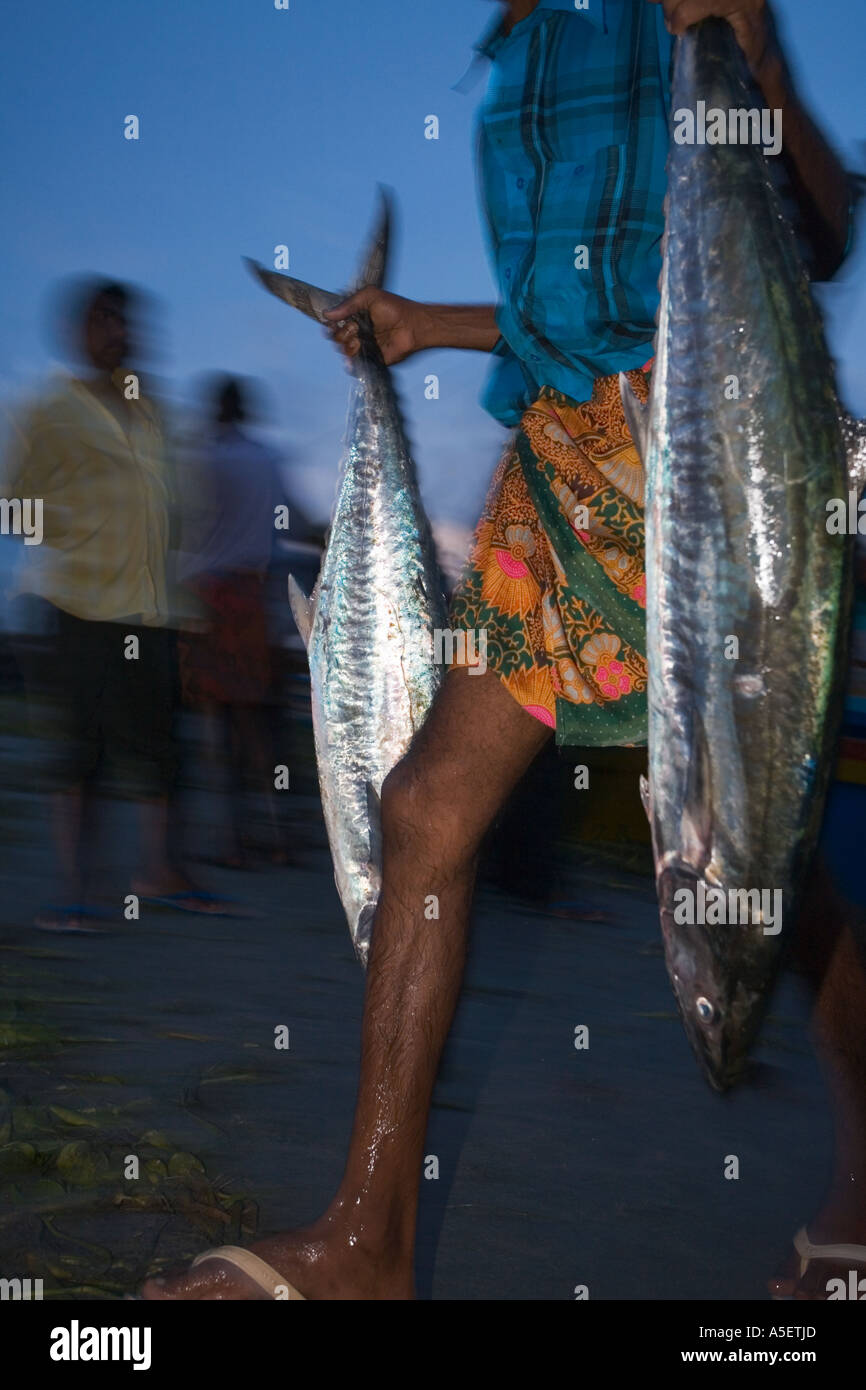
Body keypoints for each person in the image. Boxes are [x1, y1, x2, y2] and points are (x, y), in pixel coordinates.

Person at [143, 0, 863, 1299]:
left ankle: (865, 1180)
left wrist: (749, 52)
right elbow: (567, 290)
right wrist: (422, 323)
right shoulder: (512, 57)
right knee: (426, 806)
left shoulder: (672, 17)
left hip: (693, 442)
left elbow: (816, 230)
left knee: (764, 868)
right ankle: (367, 1241)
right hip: (554, 466)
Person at [8, 278, 233, 926]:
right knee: (80, 751)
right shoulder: (50, 409)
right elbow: (9, 499)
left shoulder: (156, 408)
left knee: (163, 750)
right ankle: (76, 887)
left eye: (126, 320)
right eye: (104, 320)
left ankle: (160, 870)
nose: (118, 332)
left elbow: (184, 501)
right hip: (77, 603)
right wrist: (70, 530)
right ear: (77, 331)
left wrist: (190, 591)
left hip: (155, 608)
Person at [177, 375, 288, 867]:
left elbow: (181, 521)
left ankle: (233, 836)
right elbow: (293, 520)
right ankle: (276, 828)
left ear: (215, 410)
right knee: (256, 721)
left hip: (209, 597)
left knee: (218, 722)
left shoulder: (202, 461)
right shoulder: (267, 460)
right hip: (253, 594)